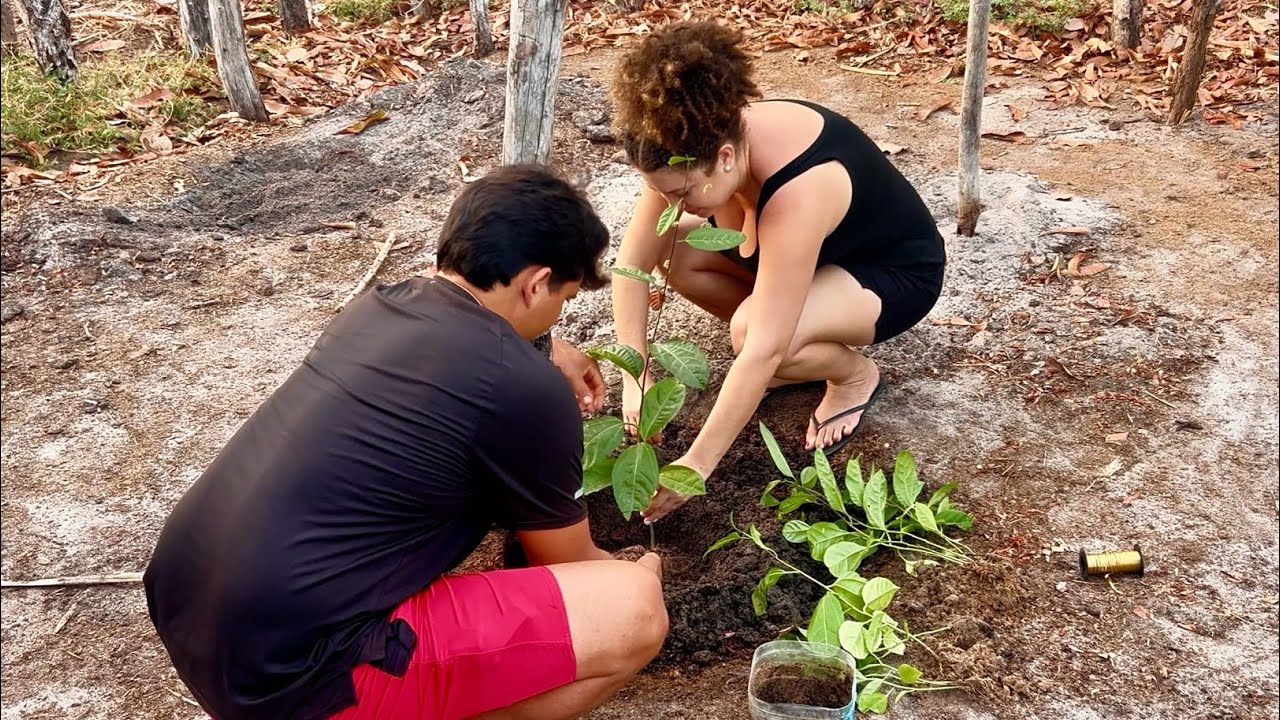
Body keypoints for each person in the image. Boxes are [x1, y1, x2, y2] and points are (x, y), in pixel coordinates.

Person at [143, 164, 669, 720]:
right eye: (560, 297)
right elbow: (568, 562)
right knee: (631, 609)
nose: (556, 315)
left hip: (195, 615)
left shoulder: (379, 307)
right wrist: (639, 568)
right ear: (536, 283)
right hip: (299, 677)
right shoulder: (523, 388)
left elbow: (473, 345)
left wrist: (543, 344)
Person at [608, 21, 946, 524]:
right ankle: (793, 342)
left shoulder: (801, 187)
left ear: (724, 159)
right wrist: (632, 374)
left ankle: (854, 375)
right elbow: (632, 267)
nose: (669, 202)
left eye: (679, 193)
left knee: (751, 337)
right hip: (802, 264)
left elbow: (763, 343)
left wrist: (694, 467)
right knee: (676, 252)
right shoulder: (687, 141)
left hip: (888, 274)